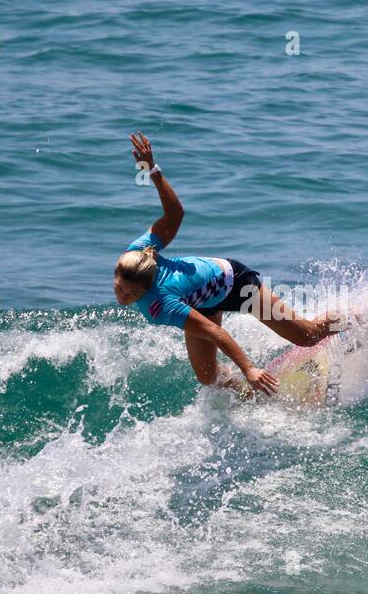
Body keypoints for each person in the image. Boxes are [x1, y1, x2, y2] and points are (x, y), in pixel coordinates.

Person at [112, 132, 344, 397]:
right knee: (208, 377)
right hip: (200, 299)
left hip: (235, 283)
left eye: (131, 293)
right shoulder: (134, 254)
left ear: (147, 286)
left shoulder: (160, 303)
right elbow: (174, 215)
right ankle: (248, 395)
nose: (122, 296)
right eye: (119, 288)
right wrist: (149, 169)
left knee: (307, 336)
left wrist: (249, 368)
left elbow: (213, 332)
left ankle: (360, 318)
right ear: (117, 271)